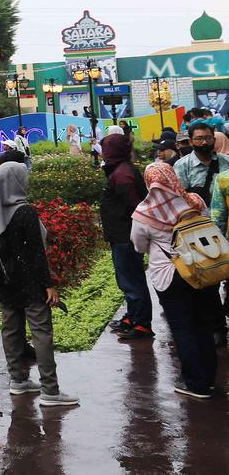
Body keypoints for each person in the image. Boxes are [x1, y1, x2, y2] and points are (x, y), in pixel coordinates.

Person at [0, 162, 78, 406]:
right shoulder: (25, 211)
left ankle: (18, 379)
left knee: (11, 329)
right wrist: (47, 284)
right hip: (29, 281)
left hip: (6, 281)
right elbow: (36, 252)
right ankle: (50, 390)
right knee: (41, 333)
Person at [131, 162, 221, 399]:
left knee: (183, 328)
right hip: (201, 268)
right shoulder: (194, 201)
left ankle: (196, 384)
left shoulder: (144, 212)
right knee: (202, 324)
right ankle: (209, 380)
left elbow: (138, 245)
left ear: (149, 182)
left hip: (169, 274)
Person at [99, 134, 152, 340]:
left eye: (106, 149)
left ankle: (141, 324)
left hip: (126, 237)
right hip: (121, 235)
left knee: (131, 280)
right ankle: (133, 316)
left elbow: (134, 206)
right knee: (128, 279)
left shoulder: (123, 175)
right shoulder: (120, 170)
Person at [174, 122, 229, 207]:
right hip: (199, 217)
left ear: (214, 140)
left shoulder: (226, 161)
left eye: (208, 138)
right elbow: (180, 197)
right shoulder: (182, 165)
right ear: (190, 141)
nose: (204, 142)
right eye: (199, 138)